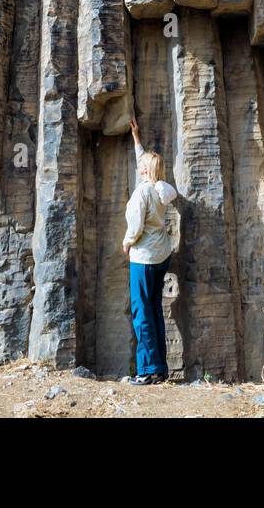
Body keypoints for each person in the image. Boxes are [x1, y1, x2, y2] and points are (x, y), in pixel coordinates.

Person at [123, 116, 178, 385]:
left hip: (143, 258)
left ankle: (147, 371)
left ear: (145, 171)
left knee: (140, 311)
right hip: (161, 256)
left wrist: (127, 242)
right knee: (154, 309)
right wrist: (136, 138)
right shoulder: (159, 188)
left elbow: (135, 224)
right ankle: (160, 369)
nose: (139, 164)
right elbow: (144, 158)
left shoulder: (142, 193)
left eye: (142, 165)